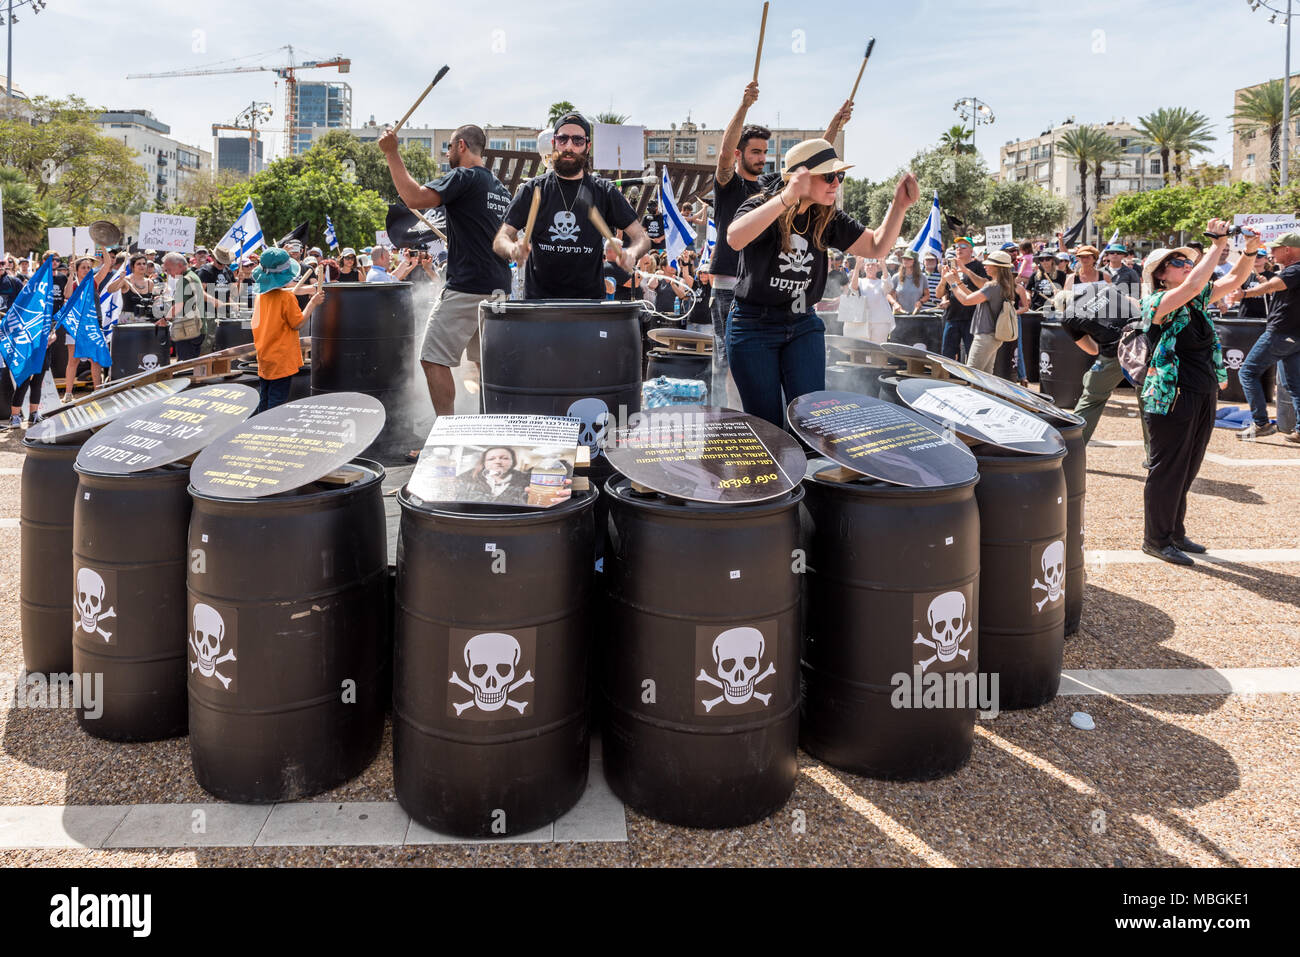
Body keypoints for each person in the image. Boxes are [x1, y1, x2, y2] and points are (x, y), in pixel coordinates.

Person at [725, 138, 919, 426]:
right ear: (798, 178)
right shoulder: (763, 204)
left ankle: (806, 471)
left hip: (803, 321)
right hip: (753, 324)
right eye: (829, 176)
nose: (836, 183)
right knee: (766, 423)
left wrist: (899, 206)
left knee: (810, 417)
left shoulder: (827, 217)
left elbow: (877, 246)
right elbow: (735, 237)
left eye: (839, 176)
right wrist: (787, 197)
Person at [1138, 222, 1258, 565]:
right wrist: (1217, 245)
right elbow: (1194, 284)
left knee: (1188, 466)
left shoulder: (1195, 299)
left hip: (1201, 390)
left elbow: (1234, 281)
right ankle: (1156, 539)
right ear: (1161, 275)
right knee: (1168, 469)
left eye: (1187, 261)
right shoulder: (1157, 302)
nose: (1186, 266)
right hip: (1172, 395)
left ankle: (1174, 532)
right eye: (1178, 263)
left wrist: (1247, 251)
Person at [495, 113, 649, 299]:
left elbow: (641, 237)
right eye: (563, 139)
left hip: (588, 306)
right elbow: (501, 239)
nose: (569, 146)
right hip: (541, 306)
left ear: (587, 146)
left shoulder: (603, 192)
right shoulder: (533, 189)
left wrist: (632, 253)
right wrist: (512, 249)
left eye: (577, 140)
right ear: (554, 143)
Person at [1235, 231, 1300, 441]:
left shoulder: (1295, 270)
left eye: (1275, 248)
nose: (1271, 252)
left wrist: (1244, 294)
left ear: (1288, 249)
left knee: (1247, 372)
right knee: (1294, 384)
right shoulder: (1292, 270)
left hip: (1281, 333)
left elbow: (1275, 285)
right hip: (1293, 336)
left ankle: (1261, 423)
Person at [250, 247, 324, 413]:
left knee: (265, 398)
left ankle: (258, 430)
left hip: (264, 355)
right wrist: (313, 303)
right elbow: (297, 324)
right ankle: (270, 432)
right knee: (276, 403)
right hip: (281, 358)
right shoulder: (286, 297)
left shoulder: (260, 296)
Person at [943, 249, 1028, 374]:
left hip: (985, 337)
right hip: (992, 337)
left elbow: (966, 300)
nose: (985, 266)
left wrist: (952, 283)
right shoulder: (1003, 285)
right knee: (985, 376)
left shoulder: (992, 286)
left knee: (972, 375)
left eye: (989, 264)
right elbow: (973, 297)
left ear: (997, 267)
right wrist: (957, 281)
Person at [934, 237, 988, 360]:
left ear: (971, 250)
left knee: (972, 354)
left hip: (972, 317)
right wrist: (943, 280)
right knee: (947, 354)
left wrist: (965, 271)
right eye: (957, 246)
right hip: (952, 316)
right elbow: (939, 294)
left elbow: (983, 287)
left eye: (963, 246)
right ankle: (950, 379)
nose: (959, 249)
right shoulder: (951, 268)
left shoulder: (977, 266)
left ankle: (971, 380)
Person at [157, 251, 208, 363]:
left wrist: (165, 319)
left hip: (188, 330)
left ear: (180, 265)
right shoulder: (193, 276)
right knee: (192, 364)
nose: (168, 273)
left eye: (169, 269)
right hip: (197, 328)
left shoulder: (184, 279)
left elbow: (179, 306)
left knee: (185, 367)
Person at [844, 257, 899, 340]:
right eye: (868, 265)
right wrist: (857, 267)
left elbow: (888, 286)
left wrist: (884, 266)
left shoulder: (881, 282)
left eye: (873, 265)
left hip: (880, 321)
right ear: (864, 268)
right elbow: (853, 288)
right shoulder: (860, 281)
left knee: (877, 348)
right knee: (862, 348)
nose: (870, 267)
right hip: (862, 321)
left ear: (877, 268)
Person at [454, 446, 530, 504]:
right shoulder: (466, 478)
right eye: (491, 459)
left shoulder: (527, 481)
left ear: (513, 462)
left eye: (504, 458)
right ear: (484, 463)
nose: (498, 461)